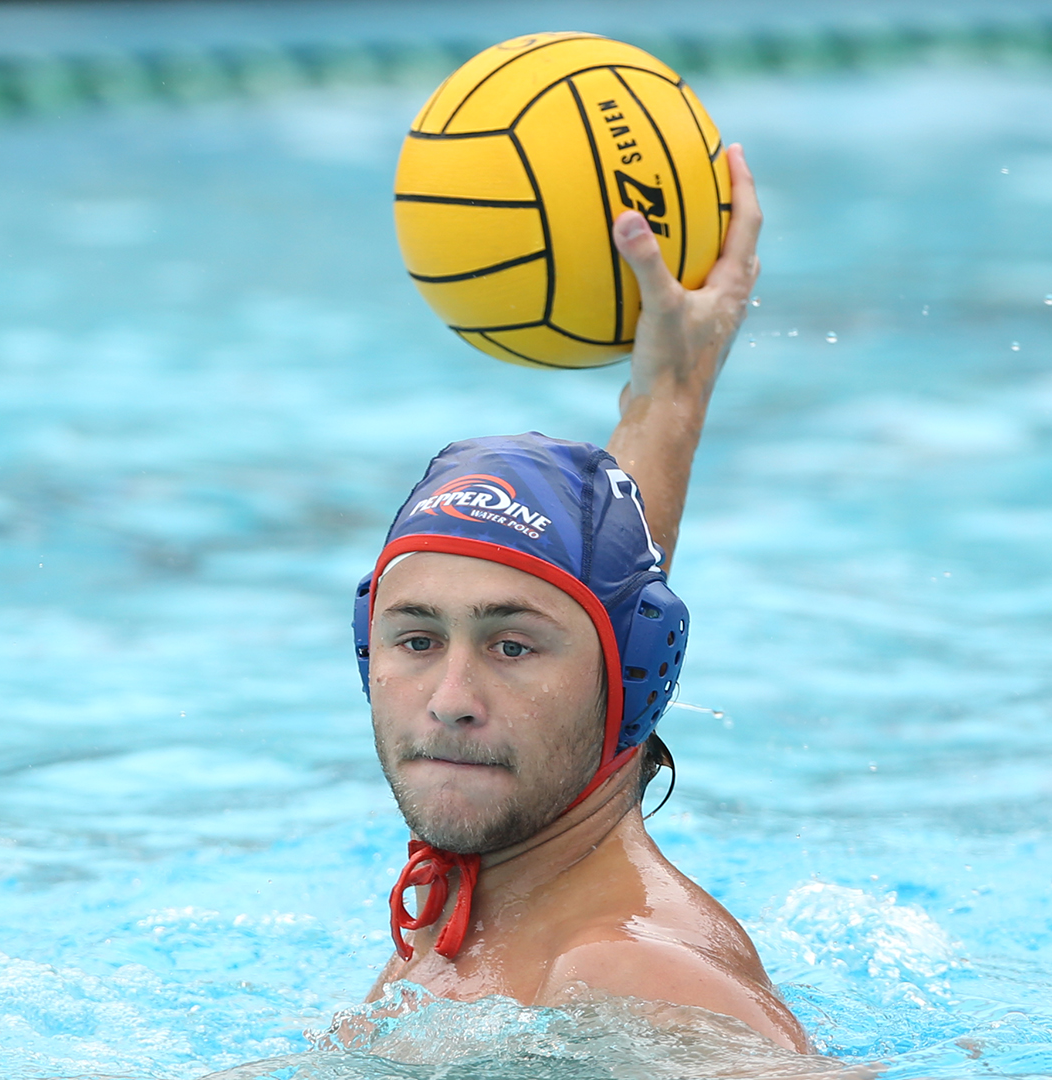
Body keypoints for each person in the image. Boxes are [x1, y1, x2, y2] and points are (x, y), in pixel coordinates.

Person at [354, 145, 805, 1053]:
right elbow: (598, 596)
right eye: (417, 639)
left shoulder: (630, 976)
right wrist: (674, 386)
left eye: (512, 646)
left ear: (630, 686)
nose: (450, 699)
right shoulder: (473, 911)